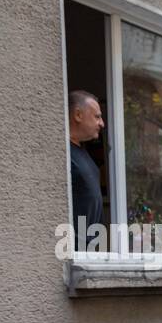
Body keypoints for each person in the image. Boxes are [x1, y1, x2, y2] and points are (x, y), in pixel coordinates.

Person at [67, 90, 105, 251]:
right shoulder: (64, 153)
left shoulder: (82, 152)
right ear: (78, 115)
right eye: (97, 116)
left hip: (88, 250)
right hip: (71, 251)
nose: (102, 123)